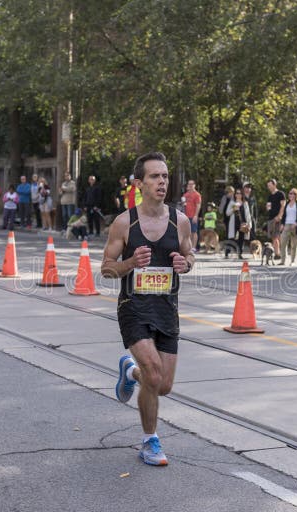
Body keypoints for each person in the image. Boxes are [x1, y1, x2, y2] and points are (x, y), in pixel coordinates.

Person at [101, 151, 193, 467]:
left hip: (167, 308)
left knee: (162, 385)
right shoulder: (125, 222)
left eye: (165, 176)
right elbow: (106, 269)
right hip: (134, 307)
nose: (162, 182)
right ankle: (149, 441)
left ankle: (130, 371)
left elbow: (190, 256)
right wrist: (130, 262)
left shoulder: (180, 221)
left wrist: (186, 263)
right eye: (155, 176)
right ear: (139, 183)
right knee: (154, 373)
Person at [279, 188, 297, 265]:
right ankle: (283, 261)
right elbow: (284, 215)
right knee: (283, 243)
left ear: (296, 195)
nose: (291, 195)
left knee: (294, 244)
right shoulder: (287, 203)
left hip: (295, 226)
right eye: (290, 193)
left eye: (293, 193)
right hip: (286, 225)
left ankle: (293, 261)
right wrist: (282, 224)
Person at [225, 189, 252, 259]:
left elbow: (248, 214)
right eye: (237, 193)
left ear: (242, 195)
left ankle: (240, 253)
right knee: (231, 238)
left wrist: (249, 223)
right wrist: (233, 209)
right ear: (235, 195)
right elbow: (227, 213)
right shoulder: (232, 203)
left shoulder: (245, 203)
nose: (238, 195)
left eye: (240, 193)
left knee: (241, 239)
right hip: (233, 223)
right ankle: (227, 252)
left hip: (243, 223)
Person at [266, 179, 286, 260]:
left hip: (278, 218)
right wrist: (267, 207)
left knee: (277, 236)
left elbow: (283, 205)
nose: (269, 187)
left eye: (270, 185)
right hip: (270, 218)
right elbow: (268, 207)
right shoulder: (270, 196)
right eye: (268, 186)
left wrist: (279, 216)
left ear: (275, 185)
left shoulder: (280, 194)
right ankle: (277, 254)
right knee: (274, 237)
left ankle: (277, 253)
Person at [181, 179, 202, 251]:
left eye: (191, 184)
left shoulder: (197, 195)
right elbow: (183, 205)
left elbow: (198, 206)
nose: (190, 185)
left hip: (193, 216)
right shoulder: (185, 195)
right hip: (186, 216)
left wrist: (196, 216)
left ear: (194, 185)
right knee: (188, 232)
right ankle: (189, 246)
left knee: (194, 231)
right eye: (189, 184)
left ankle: (194, 247)